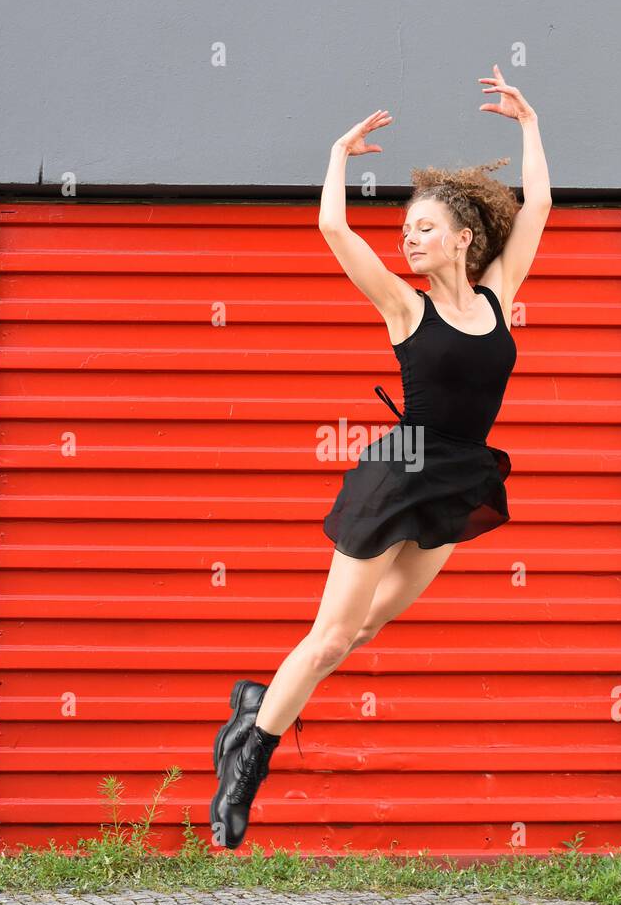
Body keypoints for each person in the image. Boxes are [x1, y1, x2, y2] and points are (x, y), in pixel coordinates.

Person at [211, 65, 552, 849]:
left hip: (459, 474)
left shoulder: (499, 293)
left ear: (464, 240)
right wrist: (335, 153)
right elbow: (335, 231)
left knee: (365, 630)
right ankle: (246, 757)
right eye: (404, 227)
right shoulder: (405, 306)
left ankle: (254, 706)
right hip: (398, 471)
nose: (407, 236)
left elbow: (539, 206)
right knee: (332, 636)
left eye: (423, 227)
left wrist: (529, 126)